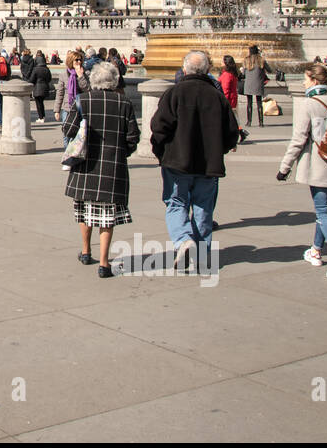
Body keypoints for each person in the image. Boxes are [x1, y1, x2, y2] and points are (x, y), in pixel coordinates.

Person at [150, 50, 240, 272]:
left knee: (176, 203)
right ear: (208, 70)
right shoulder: (216, 96)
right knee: (203, 208)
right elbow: (231, 132)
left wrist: (160, 151)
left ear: (184, 70)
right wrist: (219, 150)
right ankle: (200, 256)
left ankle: (183, 240)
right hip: (209, 164)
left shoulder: (174, 93)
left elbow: (158, 127)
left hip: (176, 161)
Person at [276, 61, 327, 279]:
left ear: (313, 80)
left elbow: (298, 140)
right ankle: (316, 251)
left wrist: (285, 167)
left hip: (319, 167)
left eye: (305, 78)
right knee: (325, 209)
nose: (303, 81)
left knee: (323, 212)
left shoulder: (307, 104)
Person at [63, 60, 140, 277]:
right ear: (115, 81)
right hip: (112, 166)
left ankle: (86, 251)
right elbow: (133, 137)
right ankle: (104, 263)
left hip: (85, 165)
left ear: (94, 80)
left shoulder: (83, 100)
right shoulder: (124, 104)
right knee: (107, 217)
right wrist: (121, 152)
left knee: (85, 210)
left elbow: (68, 129)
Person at [219, 55, 249, 144]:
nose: (220, 62)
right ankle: (241, 132)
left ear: (226, 63)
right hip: (233, 99)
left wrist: (223, 101)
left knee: (228, 119)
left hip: (228, 100)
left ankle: (236, 134)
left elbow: (225, 90)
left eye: (222, 61)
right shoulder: (233, 73)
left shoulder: (226, 75)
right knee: (233, 118)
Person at [243, 46, 270, 128]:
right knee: (259, 103)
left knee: (249, 103)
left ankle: (249, 122)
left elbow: (244, 73)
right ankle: (261, 122)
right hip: (258, 83)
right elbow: (269, 70)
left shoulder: (246, 60)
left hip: (248, 84)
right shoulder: (261, 60)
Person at [30, 50, 52, 122]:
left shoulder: (35, 69)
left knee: (38, 103)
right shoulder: (46, 69)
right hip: (45, 87)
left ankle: (41, 117)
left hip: (37, 87)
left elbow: (32, 79)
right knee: (41, 103)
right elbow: (49, 78)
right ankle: (43, 116)